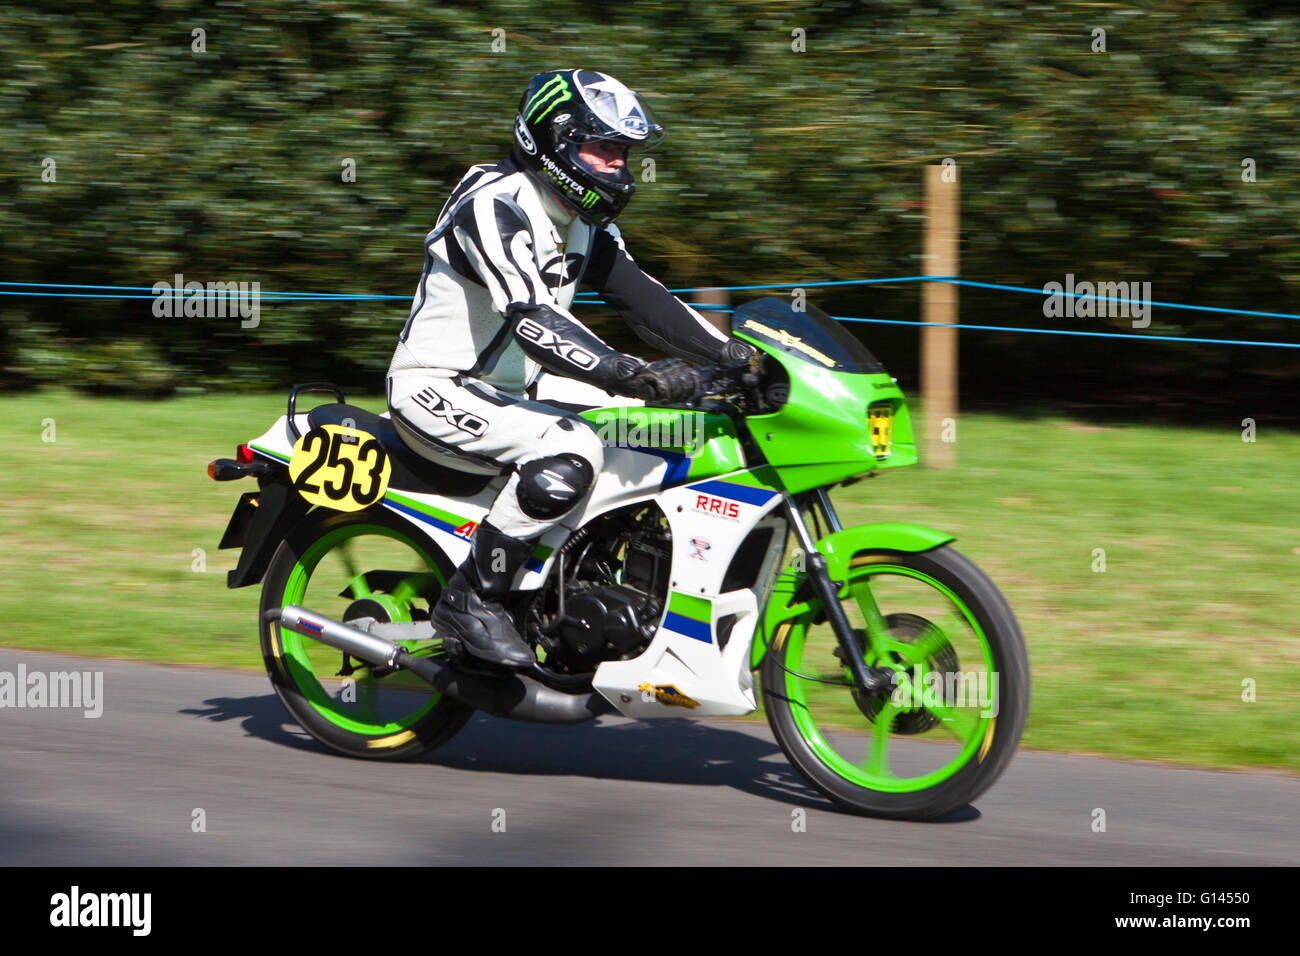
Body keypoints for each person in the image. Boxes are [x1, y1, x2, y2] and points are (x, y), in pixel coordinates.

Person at [386, 69, 755, 671]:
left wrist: (735, 358)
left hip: (518, 385)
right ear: (552, 141)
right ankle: (471, 600)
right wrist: (625, 371)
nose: (616, 166)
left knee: (675, 430)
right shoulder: (493, 203)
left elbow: (643, 298)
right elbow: (532, 319)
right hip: (436, 385)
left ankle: (592, 586)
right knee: (572, 448)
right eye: (602, 148)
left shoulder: (583, 221)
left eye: (622, 153)